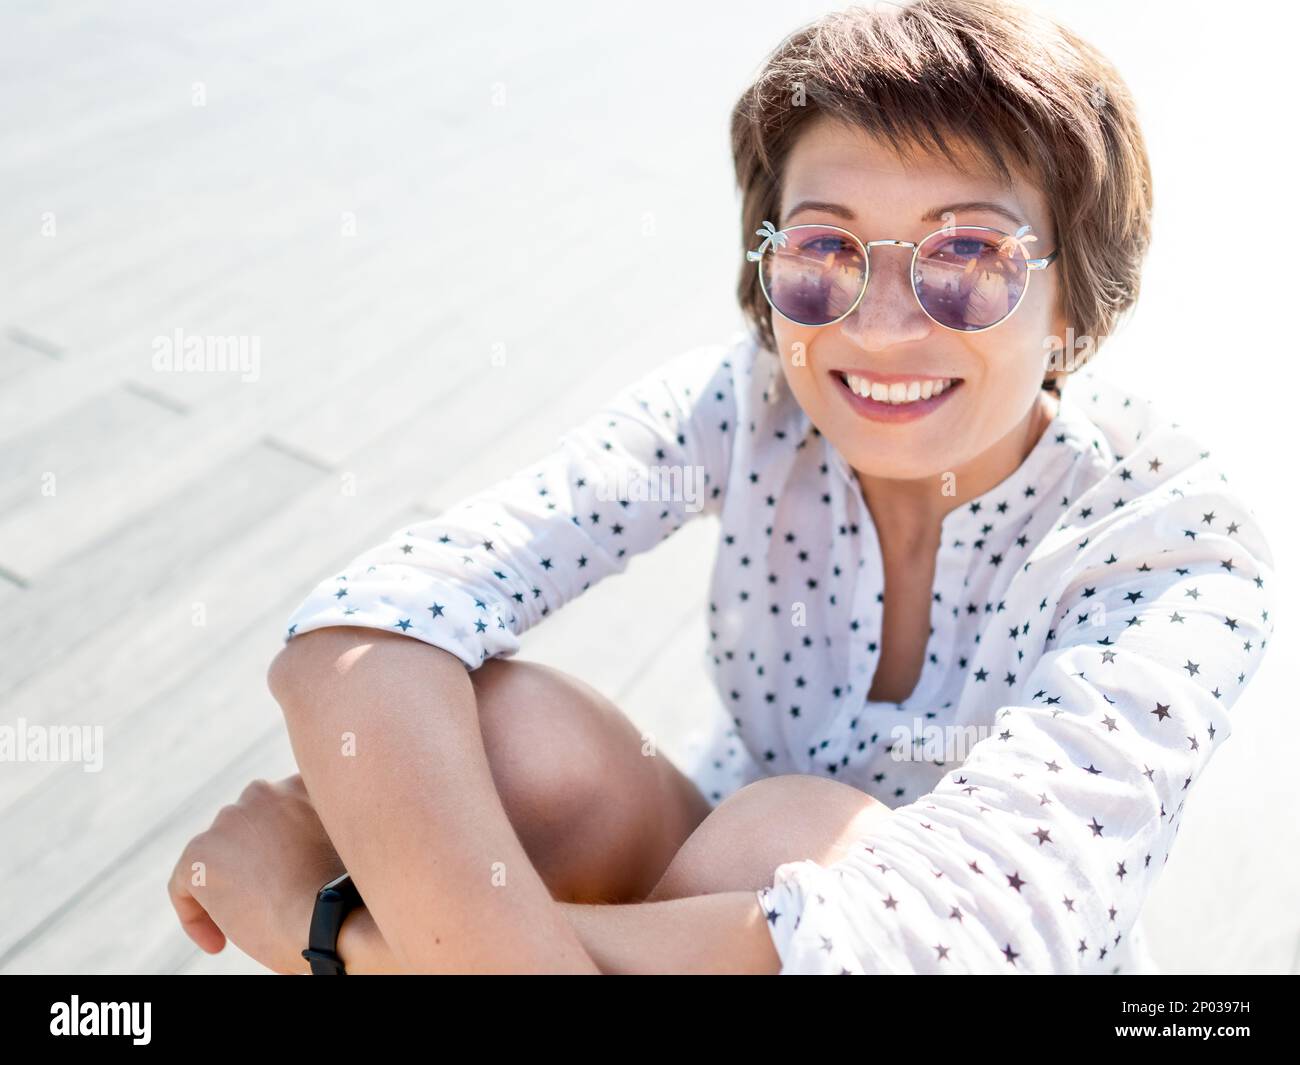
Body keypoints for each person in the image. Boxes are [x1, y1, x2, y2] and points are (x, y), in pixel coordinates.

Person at [168, 0, 1275, 974]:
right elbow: (370, 629)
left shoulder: (1176, 546)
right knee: (523, 742)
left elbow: (947, 941)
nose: (880, 327)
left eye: (968, 261)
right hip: (701, 898)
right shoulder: (746, 408)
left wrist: (343, 932)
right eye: (825, 251)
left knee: (785, 839)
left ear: (1074, 298)